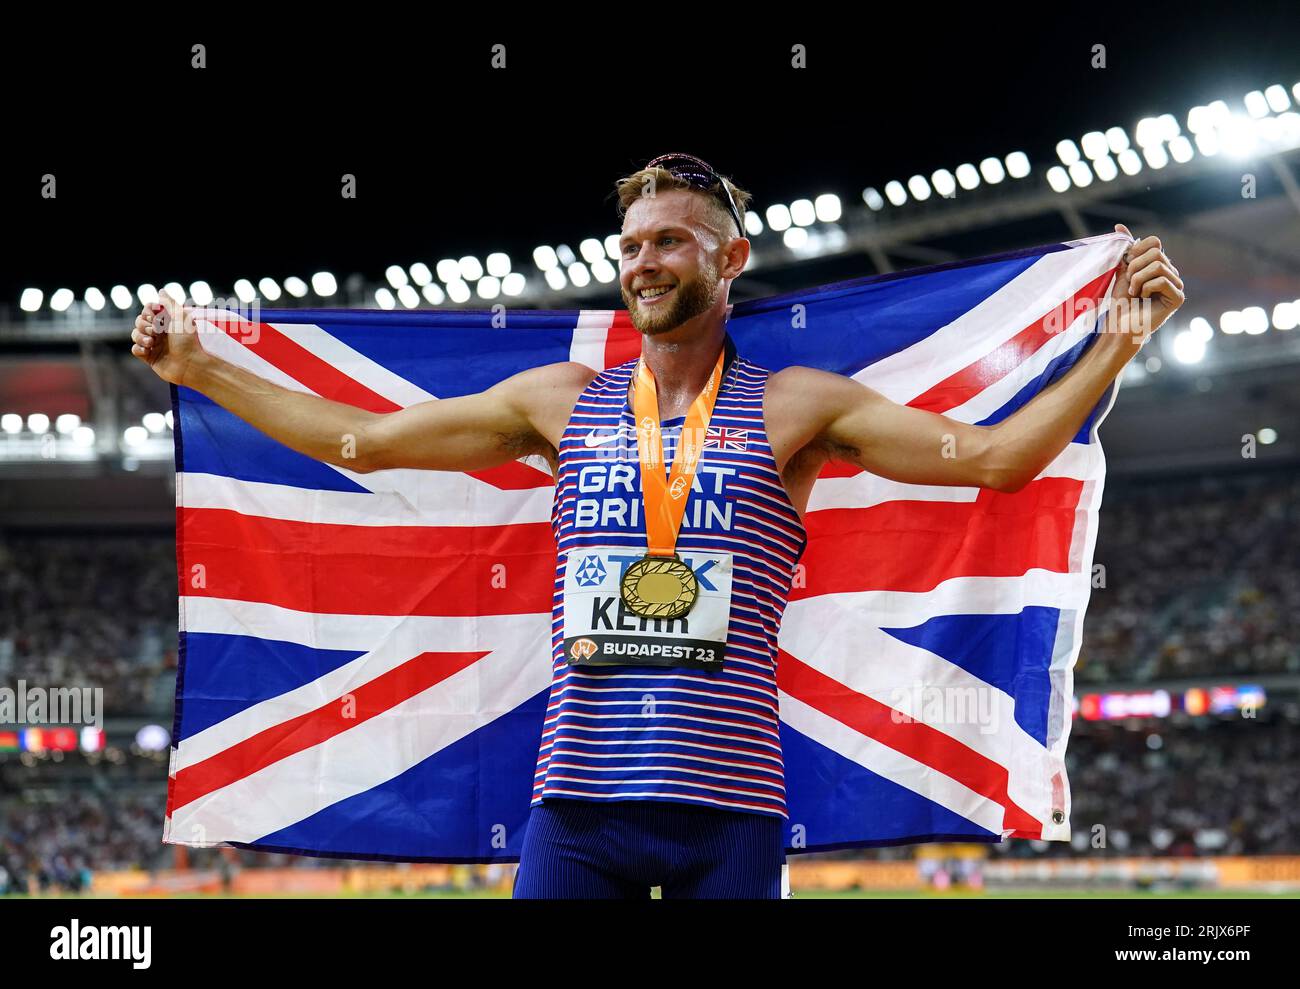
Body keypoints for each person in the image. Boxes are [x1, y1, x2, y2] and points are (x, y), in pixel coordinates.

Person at [130, 153, 1184, 899]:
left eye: (670, 239)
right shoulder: (558, 401)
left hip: (730, 810)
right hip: (577, 804)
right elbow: (360, 442)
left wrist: (1115, 345)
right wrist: (204, 365)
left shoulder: (797, 407)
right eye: (630, 243)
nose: (643, 260)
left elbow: (993, 460)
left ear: (729, 260)